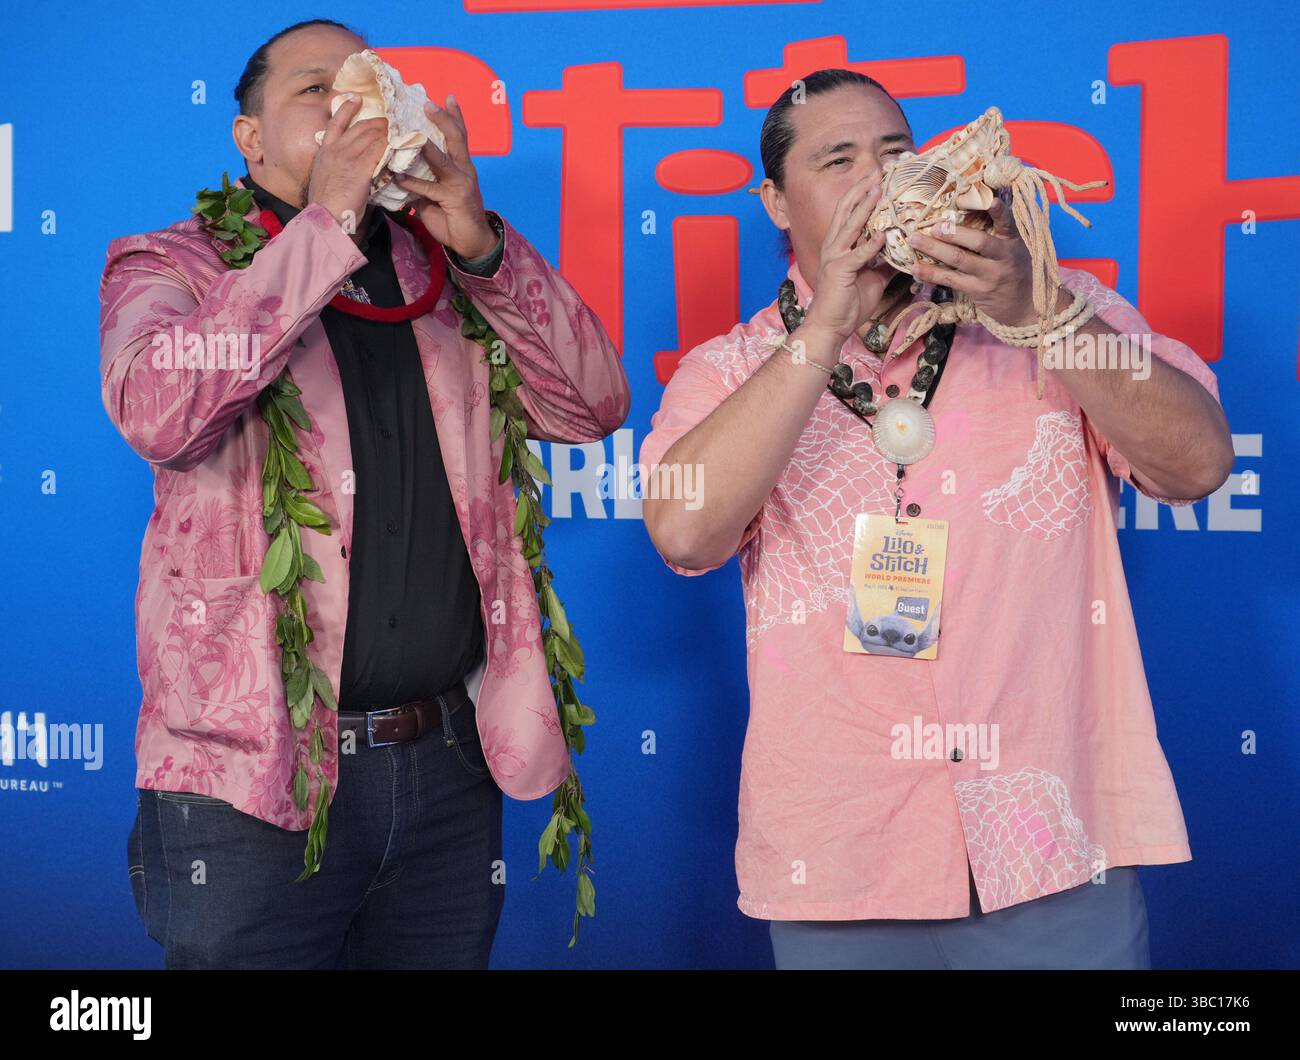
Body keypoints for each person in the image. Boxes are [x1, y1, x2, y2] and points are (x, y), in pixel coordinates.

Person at [639, 68, 1232, 969]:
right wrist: (824, 328)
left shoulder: (1052, 307)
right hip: (841, 852)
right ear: (773, 201)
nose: (879, 182)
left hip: (1049, 843)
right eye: (838, 160)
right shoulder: (728, 371)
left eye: (897, 154)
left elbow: (1200, 465)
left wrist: (1039, 310)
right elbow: (684, 532)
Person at [104, 19, 629, 969]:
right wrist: (328, 222)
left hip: (444, 764)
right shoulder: (169, 264)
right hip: (247, 775)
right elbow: (157, 409)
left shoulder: (448, 276)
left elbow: (592, 404)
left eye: (368, 85)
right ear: (249, 139)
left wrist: (476, 238)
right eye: (316, 90)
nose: (352, 105)